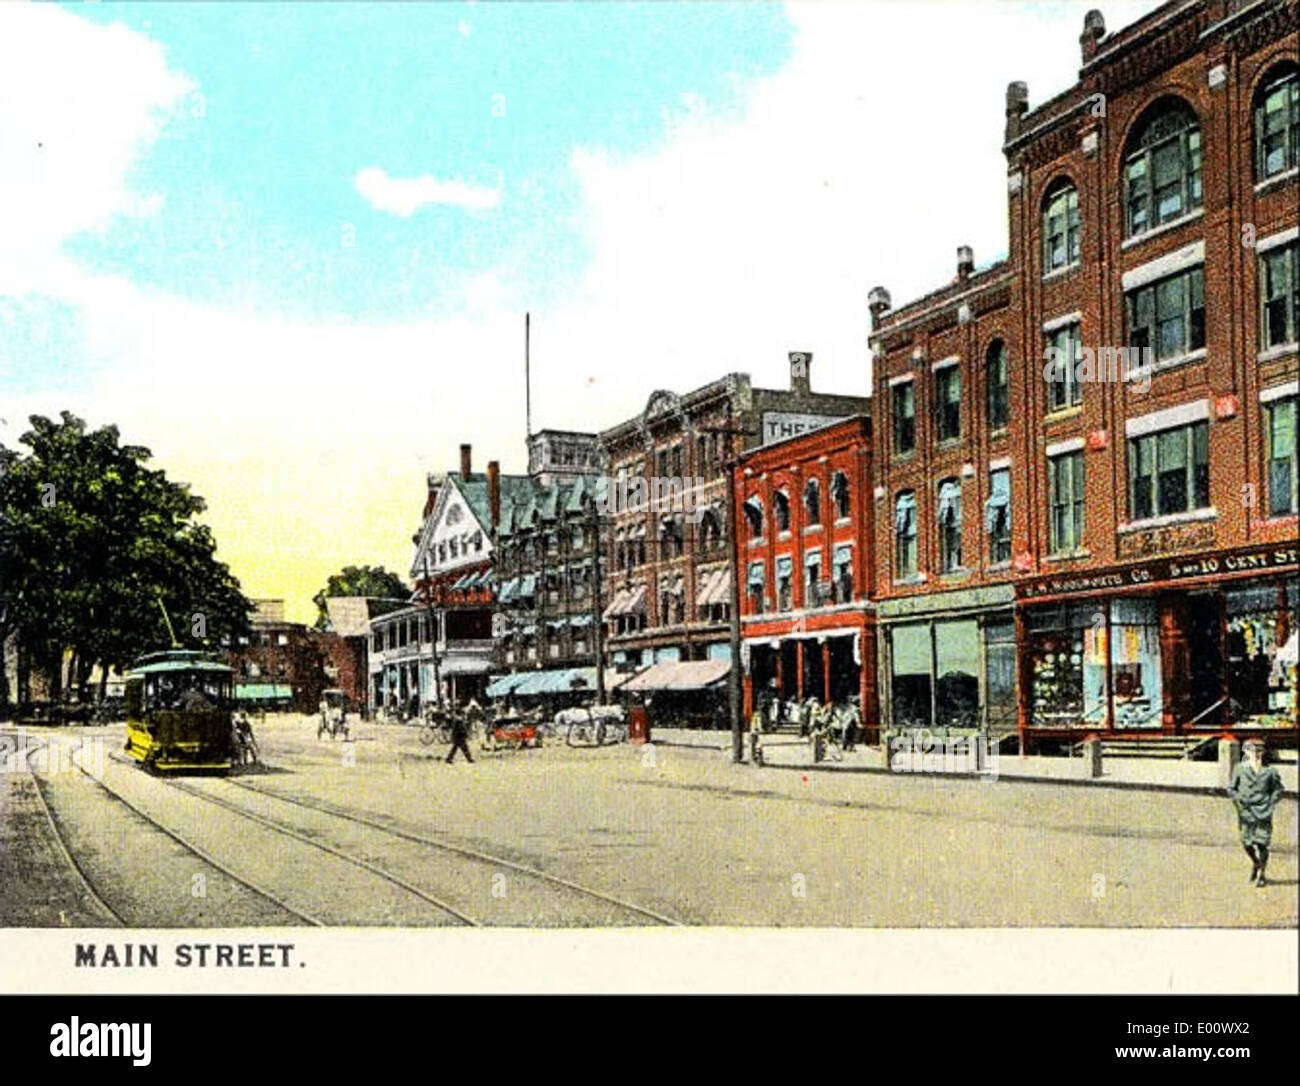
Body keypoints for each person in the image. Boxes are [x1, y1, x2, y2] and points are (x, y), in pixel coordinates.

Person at [1226, 739, 1285, 888]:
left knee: (1262, 843)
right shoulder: (1240, 768)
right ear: (1246, 752)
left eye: (1259, 751)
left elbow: (1278, 790)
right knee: (1246, 842)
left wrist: (1271, 803)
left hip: (1264, 811)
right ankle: (1256, 862)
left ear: (1264, 753)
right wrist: (1238, 800)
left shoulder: (1270, 771)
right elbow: (1232, 789)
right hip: (1245, 811)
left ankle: (1262, 874)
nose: (1256, 754)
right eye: (1252, 750)